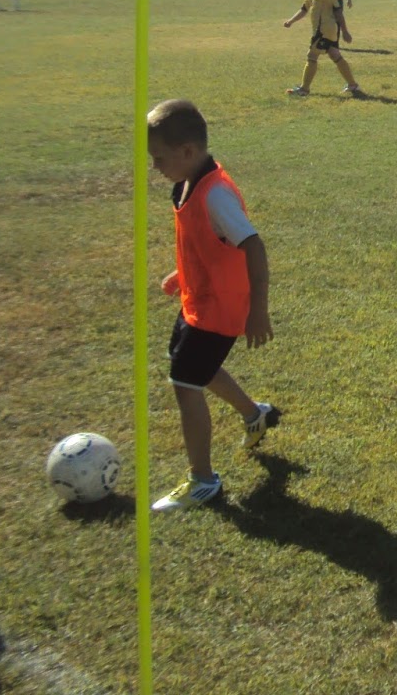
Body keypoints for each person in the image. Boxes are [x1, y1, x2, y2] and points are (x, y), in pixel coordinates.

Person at [145, 99, 279, 511]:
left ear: (187, 152)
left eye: (159, 158)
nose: (155, 167)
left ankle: (203, 481)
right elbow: (205, 243)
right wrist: (182, 273)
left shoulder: (216, 193)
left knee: (185, 384)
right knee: (189, 367)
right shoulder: (187, 183)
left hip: (220, 309)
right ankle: (255, 412)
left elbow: (252, 246)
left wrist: (258, 310)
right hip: (197, 300)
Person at [283, 0, 364, 97]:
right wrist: (291, 21)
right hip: (324, 32)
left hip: (324, 32)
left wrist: (345, 31)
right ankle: (352, 84)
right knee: (335, 55)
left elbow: (338, 13)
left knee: (311, 56)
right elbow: (304, 10)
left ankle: (304, 89)